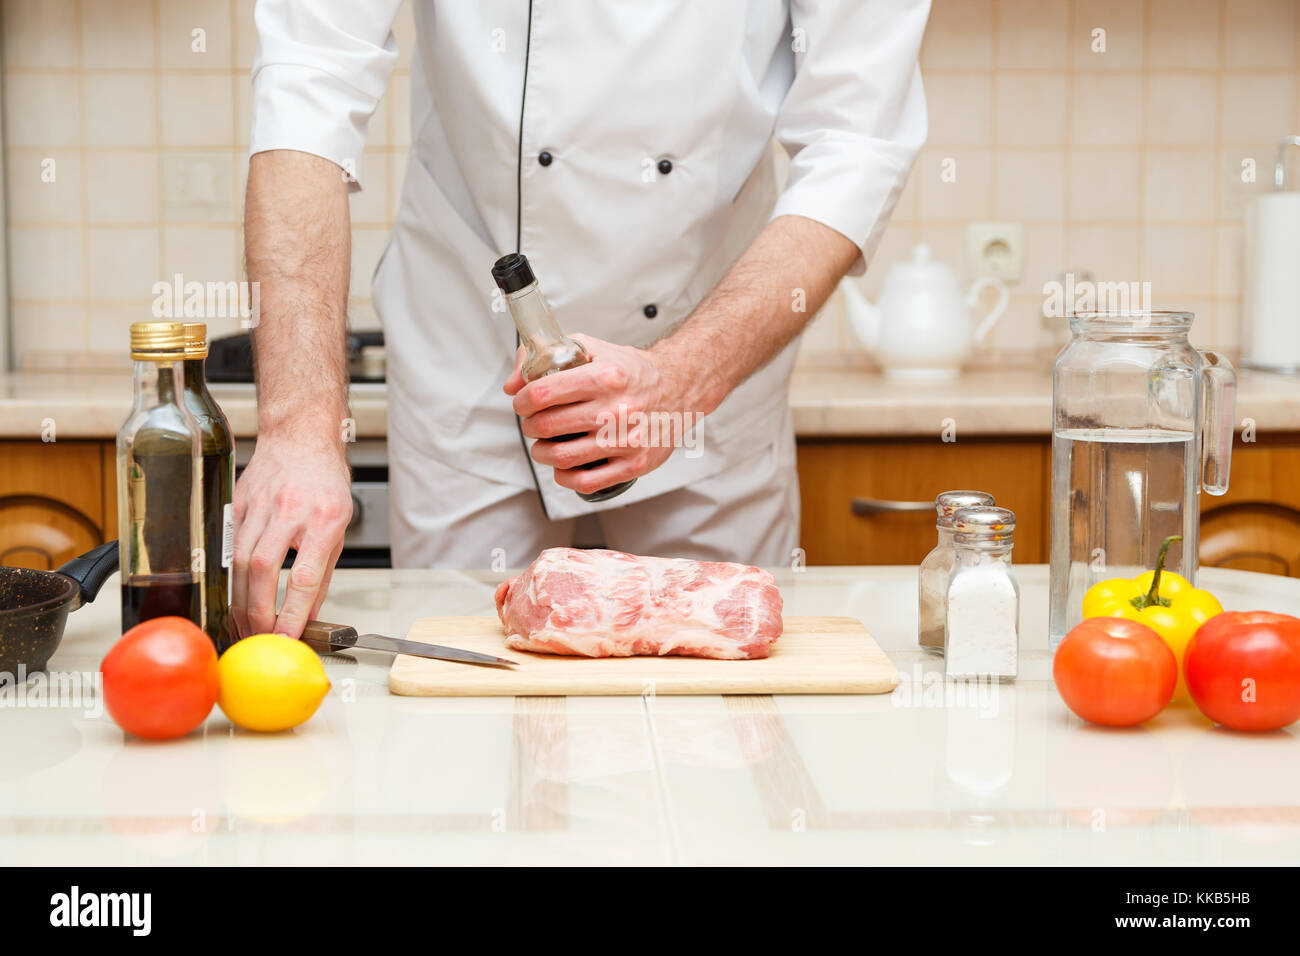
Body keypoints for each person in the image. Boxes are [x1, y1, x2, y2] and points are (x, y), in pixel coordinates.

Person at [233, 0, 929, 640]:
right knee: (456, 732)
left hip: (713, 369)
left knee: (722, 728)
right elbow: (308, 82)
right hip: (470, 363)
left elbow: (857, 139)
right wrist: (297, 426)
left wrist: (687, 375)